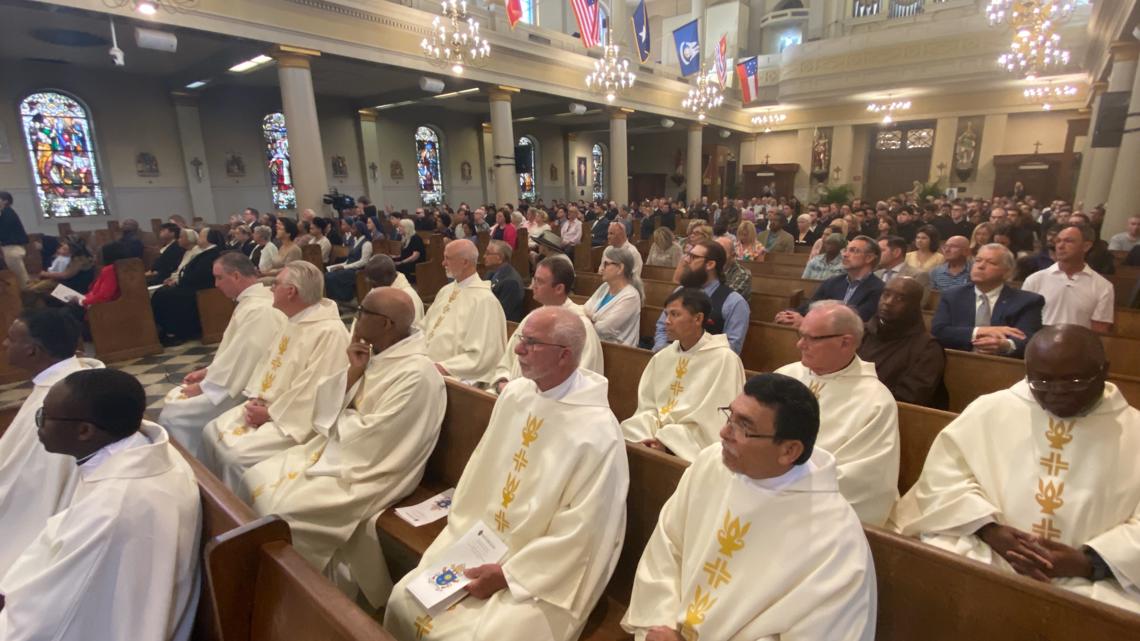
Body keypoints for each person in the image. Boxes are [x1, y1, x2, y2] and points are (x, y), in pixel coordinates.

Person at [384, 306, 629, 641]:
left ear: (564, 356)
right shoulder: (516, 394)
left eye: (531, 342)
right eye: (520, 339)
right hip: (482, 540)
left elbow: (585, 531)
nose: (517, 349)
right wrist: (464, 533)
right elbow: (481, 470)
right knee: (403, 599)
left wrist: (509, 575)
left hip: (542, 573)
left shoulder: (598, 432)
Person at [891, 325, 1140, 613]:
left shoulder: (1133, 429)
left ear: (1104, 370)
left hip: (1105, 577)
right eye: (1042, 382)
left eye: (1074, 380)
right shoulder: (991, 410)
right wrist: (987, 529)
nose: (1057, 392)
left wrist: (1090, 562)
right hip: (990, 552)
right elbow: (943, 479)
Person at [621, 373, 877, 641]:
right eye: (729, 416)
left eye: (743, 426)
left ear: (789, 450)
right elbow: (668, 546)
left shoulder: (836, 539)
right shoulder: (710, 465)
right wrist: (662, 623)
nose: (723, 432)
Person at [244, 288, 445, 610]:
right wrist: (354, 370)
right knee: (255, 476)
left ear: (385, 324)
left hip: (376, 470)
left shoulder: (417, 373)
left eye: (363, 311)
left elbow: (378, 440)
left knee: (284, 514)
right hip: (345, 452)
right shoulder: (379, 354)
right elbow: (332, 406)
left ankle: (313, 604)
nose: (356, 317)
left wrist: (344, 418)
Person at [0, 369, 200, 641]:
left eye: (44, 417)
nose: (40, 425)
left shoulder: (113, 508)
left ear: (85, 430)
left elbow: (52, 617)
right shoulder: (140, 450)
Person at [200, 262, 350, 489]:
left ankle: (246, 517)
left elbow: (315, 392)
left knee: (235, 456)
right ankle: (218, 501)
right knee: (211, 430)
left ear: (291, 292)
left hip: (292, 420)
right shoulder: (294, 319)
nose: (270, 288)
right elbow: (268, 363)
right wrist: (256, 395)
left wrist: (270, 413)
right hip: (269, 406)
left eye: (276, 284)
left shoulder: (329, 332)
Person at [774, 301, 900, 525]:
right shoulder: (785, 376)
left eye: (811, 338)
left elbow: (865, 479)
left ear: (845, 342)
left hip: (811, 508)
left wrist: (782, 479)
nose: (800, 345)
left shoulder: (875, 401)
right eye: (800, 335)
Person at [0, 309, 102, 577]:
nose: (5, 344)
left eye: (11, 339)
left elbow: (29, 477)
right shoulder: (63, 380)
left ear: (33, 351)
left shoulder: (59, 401)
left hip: (31, 516)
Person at [159, 253, 287, 457]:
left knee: (174, 414)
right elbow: (236, 353)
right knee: (175, 403)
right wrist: (207, 371)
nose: (216, 284)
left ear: (236, 276)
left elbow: (247, 359)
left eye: (219, 278)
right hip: (230, 378)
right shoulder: (251, 302)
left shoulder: (259, 310)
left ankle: (200, 472)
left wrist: (204, 386)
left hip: (239, 388)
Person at [622, 288, 745, 462]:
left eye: (675, 314)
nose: (667, 322)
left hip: (689, 442)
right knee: (627, 430)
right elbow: (647, 405)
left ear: (698, 318)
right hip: (653, 433)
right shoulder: (662, 357)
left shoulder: (725, 360)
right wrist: (650, 435)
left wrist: (667, 442)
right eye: (666, 314)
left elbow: (714, 420)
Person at [490, 256, 603, 392]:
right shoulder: (532, 318)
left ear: (559, 288)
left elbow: (578, 381)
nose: (533, 286)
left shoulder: (580, 329)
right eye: (534, 279)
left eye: (540, 281)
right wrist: (503, 381)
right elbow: (508, 359)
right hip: (513, 394)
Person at [932, 243, 1045, 358]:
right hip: (956, 362)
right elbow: (938, 332)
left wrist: (1005, 345)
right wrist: (980, 331)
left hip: (1002, 368)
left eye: (991, 263)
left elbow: (1028, 339)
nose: (981, 266)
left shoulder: (1027, 301)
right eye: (978, 260)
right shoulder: (953, 296)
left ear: (1007, 272)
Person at [422, 238, 508, 383]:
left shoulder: (485, 301)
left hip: (450, 377)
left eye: (447, 258)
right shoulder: (446, 290)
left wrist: (440, 367)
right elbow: (424, 327)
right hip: (424, 366)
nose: (443, 263)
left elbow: (483, 356)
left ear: (465, 262)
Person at [858, 277, 947, 408]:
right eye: (886, 294)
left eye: (900, 299)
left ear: (914, 305)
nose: (888, 302)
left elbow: (911, 398)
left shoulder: (928, 348)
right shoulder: (861, 332)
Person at [654, 240, 750, 354]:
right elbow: (662, 326)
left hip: (708, 365)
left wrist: (696, 360)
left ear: (710, 264)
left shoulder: (734, 302)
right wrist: (664, 351)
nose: (686, 261)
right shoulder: (680, 291)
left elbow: (732, 347)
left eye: (693, 257)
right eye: (688, 255)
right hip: (671, 357)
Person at [1022, 224, 1115, 332]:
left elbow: (1100, 329)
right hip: (1039, 344)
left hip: (1079, 346)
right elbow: (1023, 321)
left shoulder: (1103, 286)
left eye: (1068, 241)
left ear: (1086, 246)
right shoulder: (1035, 280)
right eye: (1058, 241)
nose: (1060, 246)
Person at [775, 236, 884, 326]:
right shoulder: (833, 282)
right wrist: (789, 314)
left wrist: (805, 322)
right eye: (846, 250)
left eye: (853, 251)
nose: (845, 255)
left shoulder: (878, 289)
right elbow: (809, 306)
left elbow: (854, 322)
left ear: (869, 258)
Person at [151, 229, 224, 344]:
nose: (198, 238)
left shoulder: (213, 253)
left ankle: (176, 332)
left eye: (201, 236)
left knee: (164, 296)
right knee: (162, 293)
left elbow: (200, 275)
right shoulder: (205, 253)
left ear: (209, 239)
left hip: (202, 290)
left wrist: (179, 281)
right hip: (193, 286)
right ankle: (163, 330)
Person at [584, 245, 643, 346]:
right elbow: (585, 309)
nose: (601, 268)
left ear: (620, 268)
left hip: (616, 351)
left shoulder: (631, 296)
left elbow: (604, 328)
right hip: (595, 342)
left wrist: (592, 317)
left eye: (606, 264)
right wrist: (596, 319)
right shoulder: (605, 287)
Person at [363, 254, 423, 326]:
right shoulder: (379, 290)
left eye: (373, 284)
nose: (372, 288)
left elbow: (411, 331)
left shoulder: (408, 298)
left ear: (382, 281)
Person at [326, 221, 375, 302]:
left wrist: (344, 267)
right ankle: (335, 300)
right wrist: (340, 265)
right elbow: (349, 260)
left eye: (353, 228)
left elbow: (363, 261)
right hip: (349, 267)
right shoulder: (356, 241)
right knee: (328, 273)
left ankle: (340, 299)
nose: (351, 230)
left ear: (360, 230)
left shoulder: (367, 243)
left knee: (331, 277)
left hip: (357, 271)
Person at [484, 239, 525, 323]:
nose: (484, 256)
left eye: (488, 253)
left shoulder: (510, 281)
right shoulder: (490, 273)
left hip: (503, 326)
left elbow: (502, 313)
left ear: (500, 258)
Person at [0, 190, 29, 287]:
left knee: (19, 276)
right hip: (8, 247)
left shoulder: (8, 213)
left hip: (12, 248)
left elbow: (4, 231)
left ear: (5, 201)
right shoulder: (4, 212)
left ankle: (27, 293)